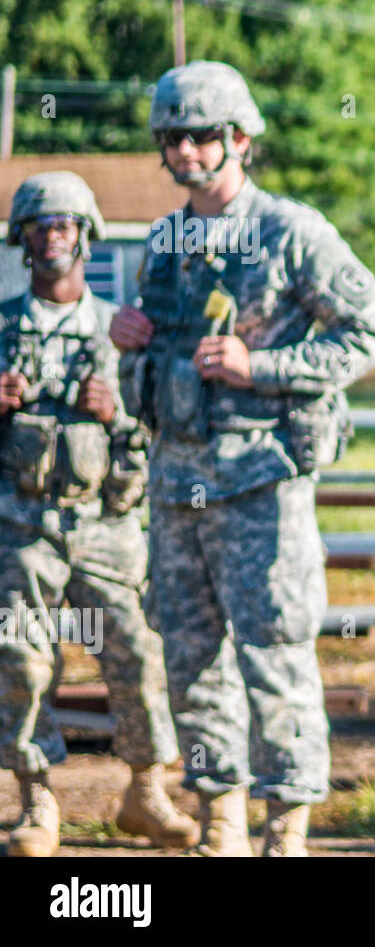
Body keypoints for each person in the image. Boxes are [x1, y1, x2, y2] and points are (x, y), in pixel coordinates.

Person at [110, 61, 375, 856]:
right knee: (191, 660)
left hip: (262, 484)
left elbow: (369, 334)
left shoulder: (290, 232)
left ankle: (286, 830)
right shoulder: (165, 242)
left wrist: (258, 368)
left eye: (202, 134)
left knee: (275, 656)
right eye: (173, 136)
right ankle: (220, 823)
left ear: (239, 138)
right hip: (176, 487)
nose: (187, 149)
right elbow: (153, 374)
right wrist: (130, 347)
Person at [0, 172, 198, 857]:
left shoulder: (121, 331)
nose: (51, 238)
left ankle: (146, 793)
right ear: (20, 240)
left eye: (63, 225)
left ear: (85, 235)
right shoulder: (0, 330)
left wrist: (119, 416)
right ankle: (37, 800)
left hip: (109, 527)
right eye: (38, 226)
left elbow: (166, 428)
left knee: (140, 652)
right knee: (23, 661)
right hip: (22, 527)